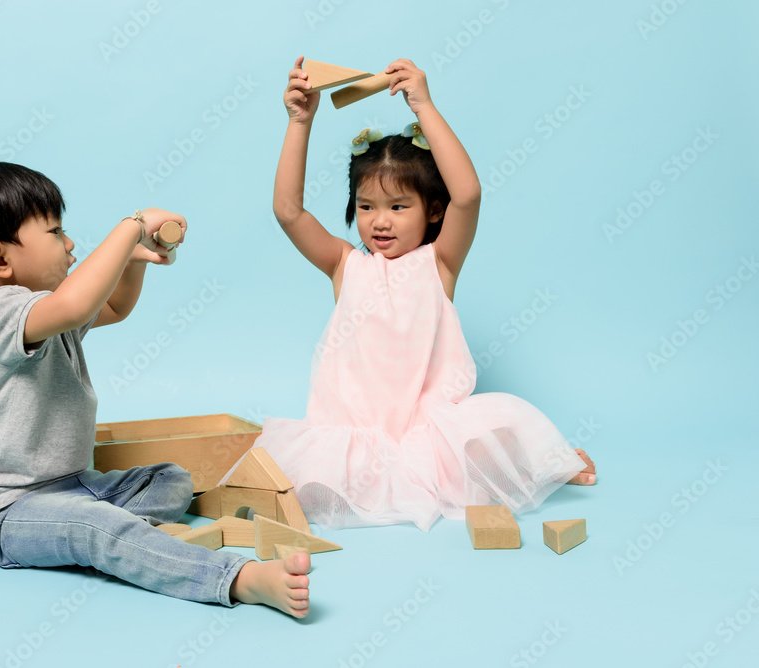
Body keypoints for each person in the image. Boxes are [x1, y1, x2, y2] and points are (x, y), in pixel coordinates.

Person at [0, 160, 311, 616]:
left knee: (171, 480)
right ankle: (235, 578)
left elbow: (112, 305)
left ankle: (116, 542)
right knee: (91, 525)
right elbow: (77, 301)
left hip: (71, 487)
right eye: (54, 233)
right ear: (0, 259)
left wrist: (132, 260)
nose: (70, 245)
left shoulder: (44, 312)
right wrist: (133, 225)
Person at [255, 57, 597, 531]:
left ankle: (546, 463)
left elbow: (469, 195)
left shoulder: (439, 264)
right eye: (367, 206)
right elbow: (288, 212)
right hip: (356, 435)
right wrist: (300, 122)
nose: (379, 220)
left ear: (432, 210)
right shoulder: (344, 265)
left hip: (426, 434)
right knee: (289, 485)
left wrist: (424, 104)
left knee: (498, 438)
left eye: (398, 206)